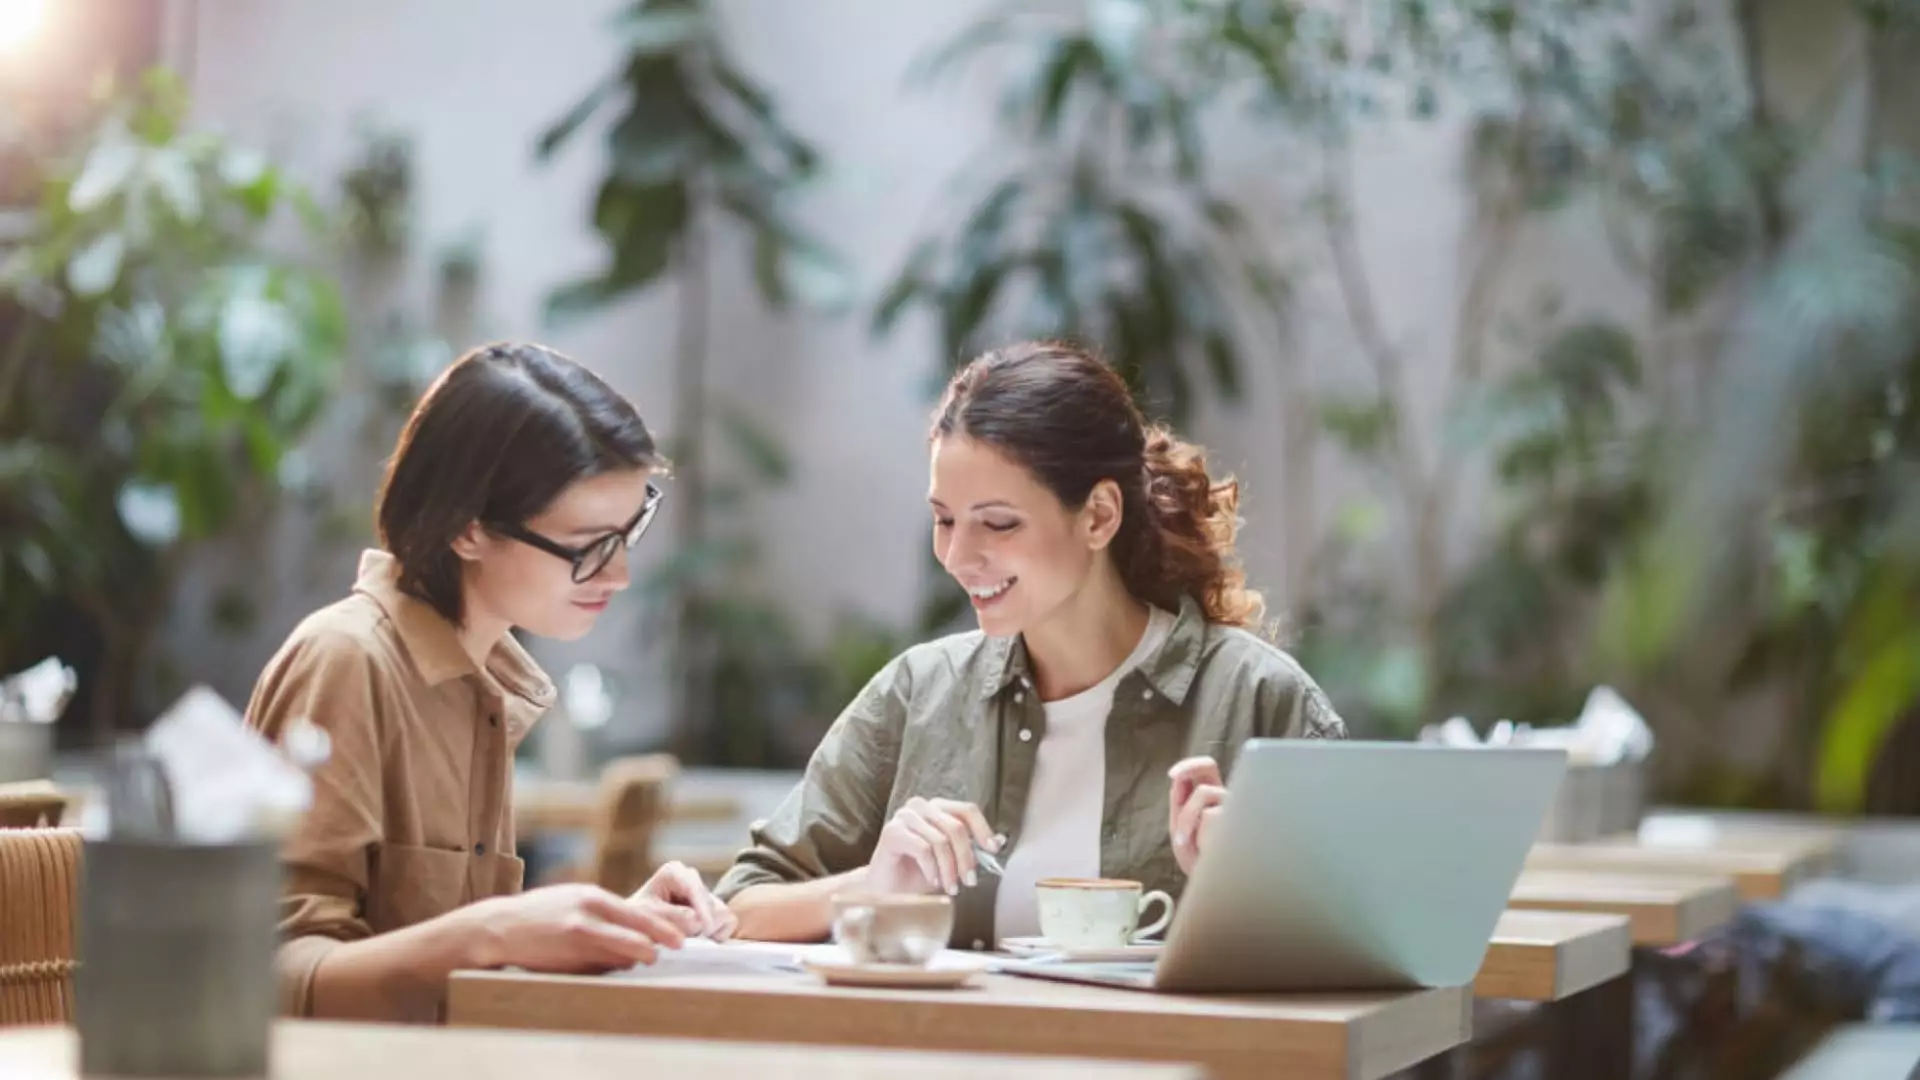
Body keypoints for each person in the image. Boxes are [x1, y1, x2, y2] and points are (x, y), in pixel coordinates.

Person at [716, 341, 1346, 949]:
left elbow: (1372, 964)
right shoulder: (918, 695)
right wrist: (872, 887)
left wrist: (1249, 896)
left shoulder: (1260, 701)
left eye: (998, 523)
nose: (959, 556)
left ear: (1099, 515)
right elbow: (740, 906)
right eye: (943, 520)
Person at [246, 342, 735, 1024]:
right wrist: (497, 931)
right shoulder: (346, 662)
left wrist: (607, 923)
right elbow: (268, 974)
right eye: (589, 545)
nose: (619, 574)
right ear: (469, 530)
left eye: (629, 532)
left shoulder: (485, 681)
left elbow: (445, 962)